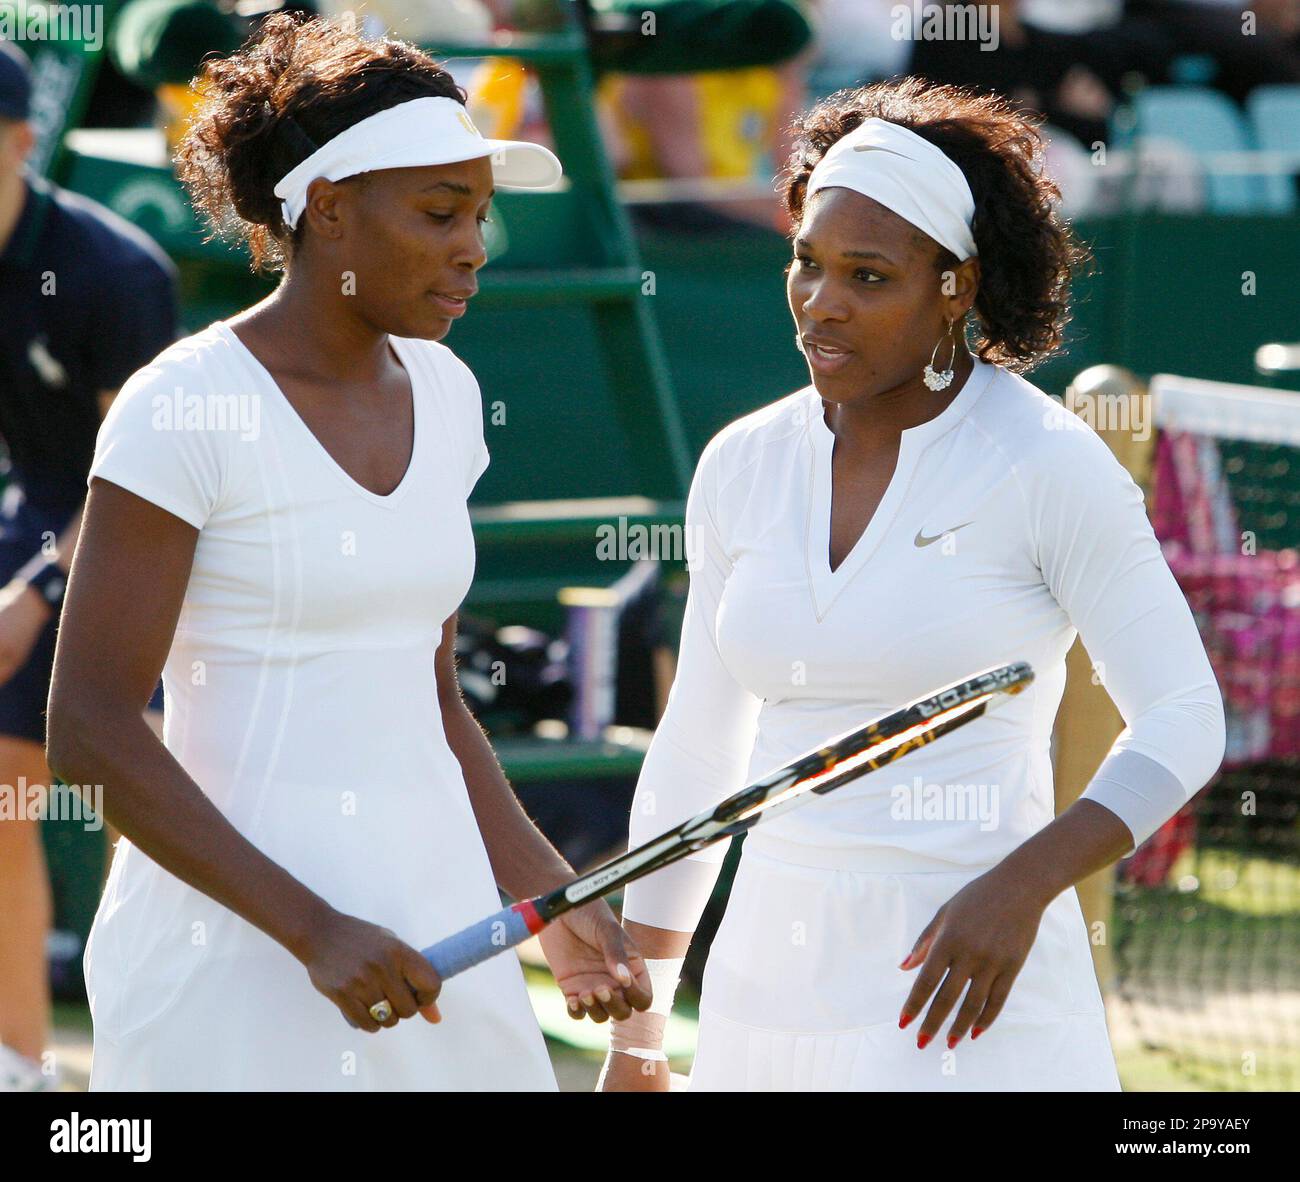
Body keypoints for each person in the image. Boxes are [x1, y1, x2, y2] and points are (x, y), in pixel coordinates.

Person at [46, 13, 649, 1091]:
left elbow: (432, 695)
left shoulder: (451, 395)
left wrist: (546, 894)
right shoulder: (183, 404)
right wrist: (315, 930)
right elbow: (89, 730)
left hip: (434, 934)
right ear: (327, 209)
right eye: (439, 211)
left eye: (481, 213)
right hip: (230, 962)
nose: (474, 244)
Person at [600, 77, 1226, 1092]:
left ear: (956, 286)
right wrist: (639, 1034)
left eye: (867, 276)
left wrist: (1020, 888)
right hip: (769, 976)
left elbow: (1184, 716)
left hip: (973, 988)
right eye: (806, 264)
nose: (822, 303)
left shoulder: (1049, 463)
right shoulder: (739, 463)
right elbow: (698, 749)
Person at [0, 38, 177, 1092]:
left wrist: (36, 597)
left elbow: (140, 488)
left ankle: (147, 1068)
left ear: (22, 143)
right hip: (34, 518)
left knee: (143, 811)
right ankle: (21, 1062)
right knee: (5, 791)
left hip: (154, 534)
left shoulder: (115, 276)